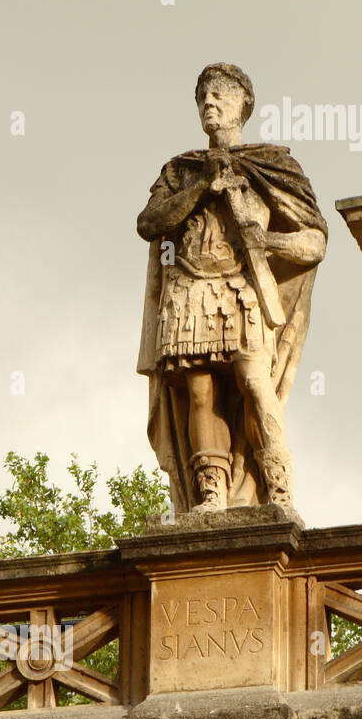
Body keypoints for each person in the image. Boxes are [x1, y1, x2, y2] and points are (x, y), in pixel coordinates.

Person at [137, 63, 327, 511]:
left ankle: (277, 489)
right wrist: (203, 186)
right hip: (188, 290)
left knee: (253, 381)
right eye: (203, 94)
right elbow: (149, 223)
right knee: (199, 390)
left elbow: (315, 241)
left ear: (243, 103)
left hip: (242, 289)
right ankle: (211, 496)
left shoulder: (273, 165)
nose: (209, 101)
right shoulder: (182, 170)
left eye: (220, 93)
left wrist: (268, 240)